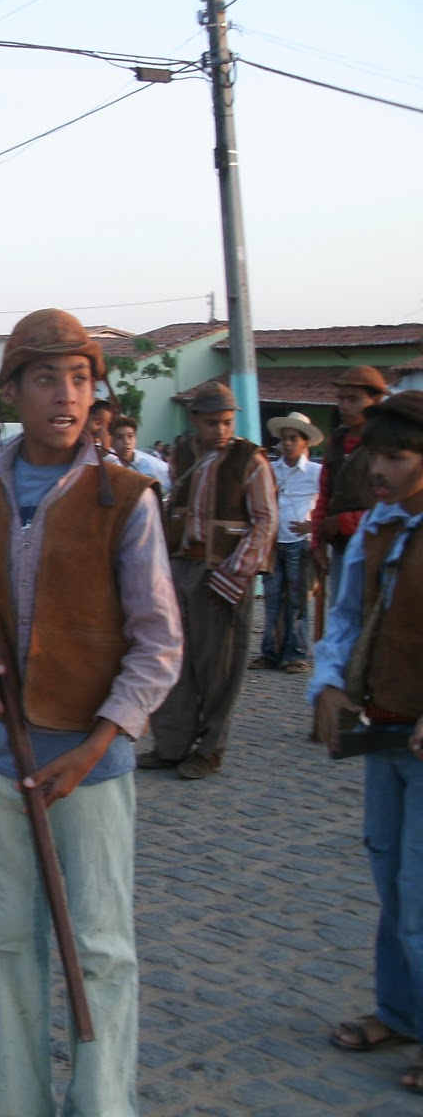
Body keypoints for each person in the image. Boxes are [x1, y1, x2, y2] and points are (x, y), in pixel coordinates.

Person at [0, 307, 182, 1117]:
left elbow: (158, 641)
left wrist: (102, 741)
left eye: (79, 378)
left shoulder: (126, 495)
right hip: (1, 745)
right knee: (9, 940)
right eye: (46, 377)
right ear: (11, 389)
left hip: (91, 763)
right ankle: (15, 1100)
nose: (66, 395)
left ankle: (104, 1104)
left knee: (103, 950)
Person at [308, 390, 423, 1097]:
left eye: (396, 457)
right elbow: (346, 619)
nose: (378, 469)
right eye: (376, 454)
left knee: (420, 887)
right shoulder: (380, 527)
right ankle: (401, 1011)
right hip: (384, 733)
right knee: (388, 874)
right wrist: (327, 683)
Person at [143, 381, 277, 780]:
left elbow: (266, 520)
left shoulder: (250, 460)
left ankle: (209, 749)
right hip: (180, 566)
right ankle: (171, 746)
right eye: (212, 423)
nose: (220, 430)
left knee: (218, 667)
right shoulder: (182, 454)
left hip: (222, 571)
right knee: (174, 662)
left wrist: (237, 572)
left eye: (226, 422)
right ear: (194, 420)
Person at [252, 412, 323, 674]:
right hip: (273, 542)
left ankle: (297, 654)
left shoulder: (316, 472)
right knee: (272, 600)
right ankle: (270, 651)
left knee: (297, 601)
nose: (289, 443)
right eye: (285, 439)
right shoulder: (271, 470)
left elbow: (328, 502)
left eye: (294, 439)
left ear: (305, 443)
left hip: (298, 542)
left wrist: (313, 526)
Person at [313, 365, 388, 606]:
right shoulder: (336, 441)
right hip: (342, 549)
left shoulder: (387, 444)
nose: (344, 406)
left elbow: (393, 505)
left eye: (353, 399)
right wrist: (316, 541)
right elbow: (324, 494)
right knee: (342, 614)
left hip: (379, 548)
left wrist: (344, 522)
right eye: (341, 399)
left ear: (376, 400)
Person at [108, 415, 170, 489]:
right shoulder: (108, 464)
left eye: (130, 436)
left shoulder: (147, 465)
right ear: (112, 440)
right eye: (120, 437)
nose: (126, 442)